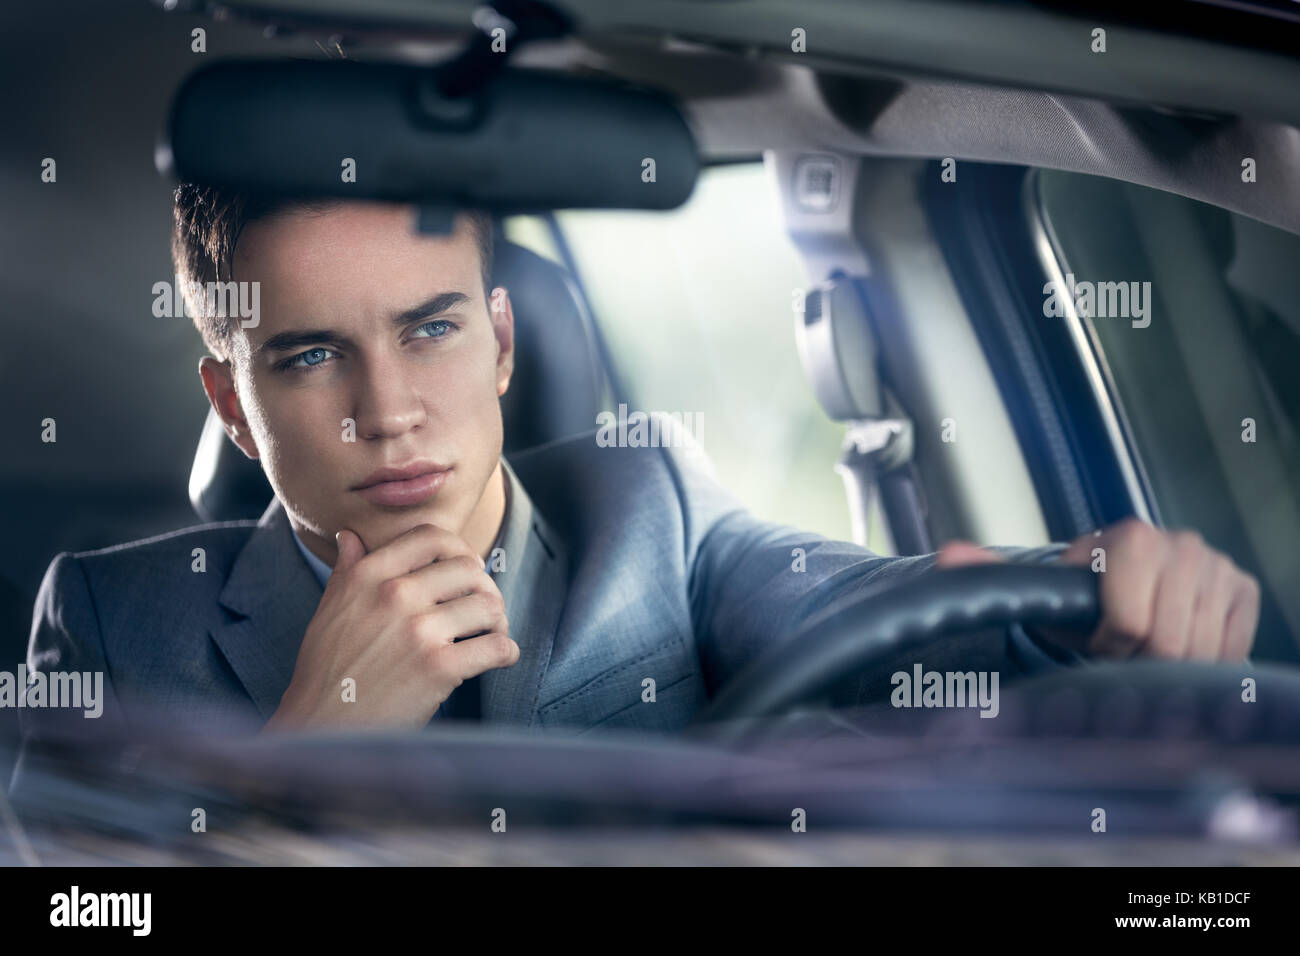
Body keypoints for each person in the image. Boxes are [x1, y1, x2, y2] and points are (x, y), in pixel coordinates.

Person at [16, 189, 1261, 748]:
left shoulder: (646, 502)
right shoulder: (110, 623)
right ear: (233, 404)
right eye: (306, 356)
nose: (387, 412)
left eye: (432, 327)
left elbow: (867, 611)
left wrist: (1086, 596)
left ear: (500, 342)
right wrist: (305, 748)